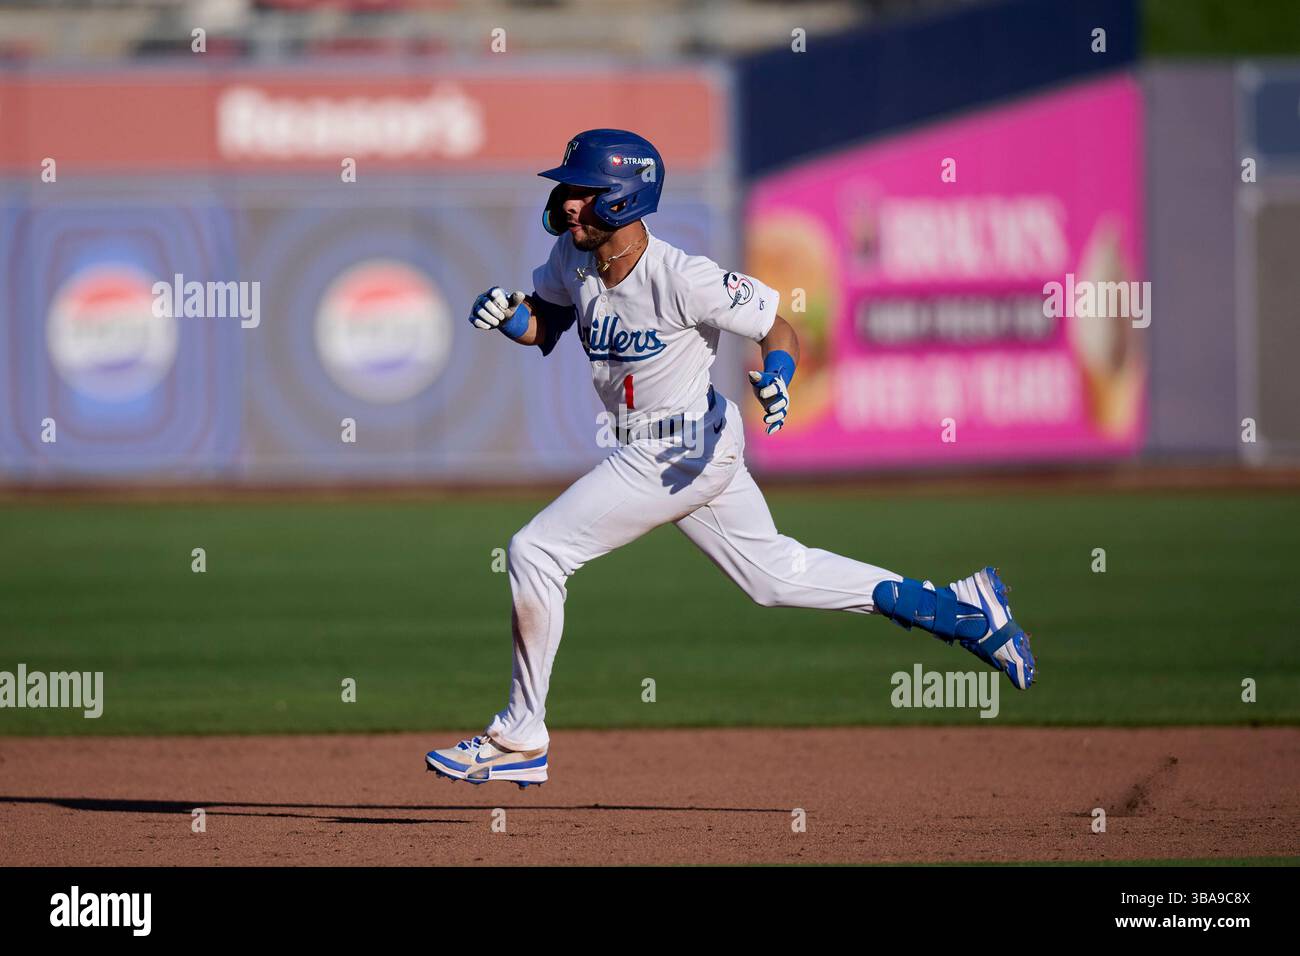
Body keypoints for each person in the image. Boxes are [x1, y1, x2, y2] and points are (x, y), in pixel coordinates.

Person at [426, 129, 1036, 788]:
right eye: (567, 190)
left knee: (536, 551)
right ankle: (963, 610)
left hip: (681, 448)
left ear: (623, 198)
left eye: (582, 190)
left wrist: (778, 372)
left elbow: (780, 327)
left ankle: (522, 734)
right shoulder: (573, 261)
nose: (568, 203)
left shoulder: (682, 277)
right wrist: (508, 317)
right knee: (774, 576)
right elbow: (546, 323)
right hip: (665, 449)